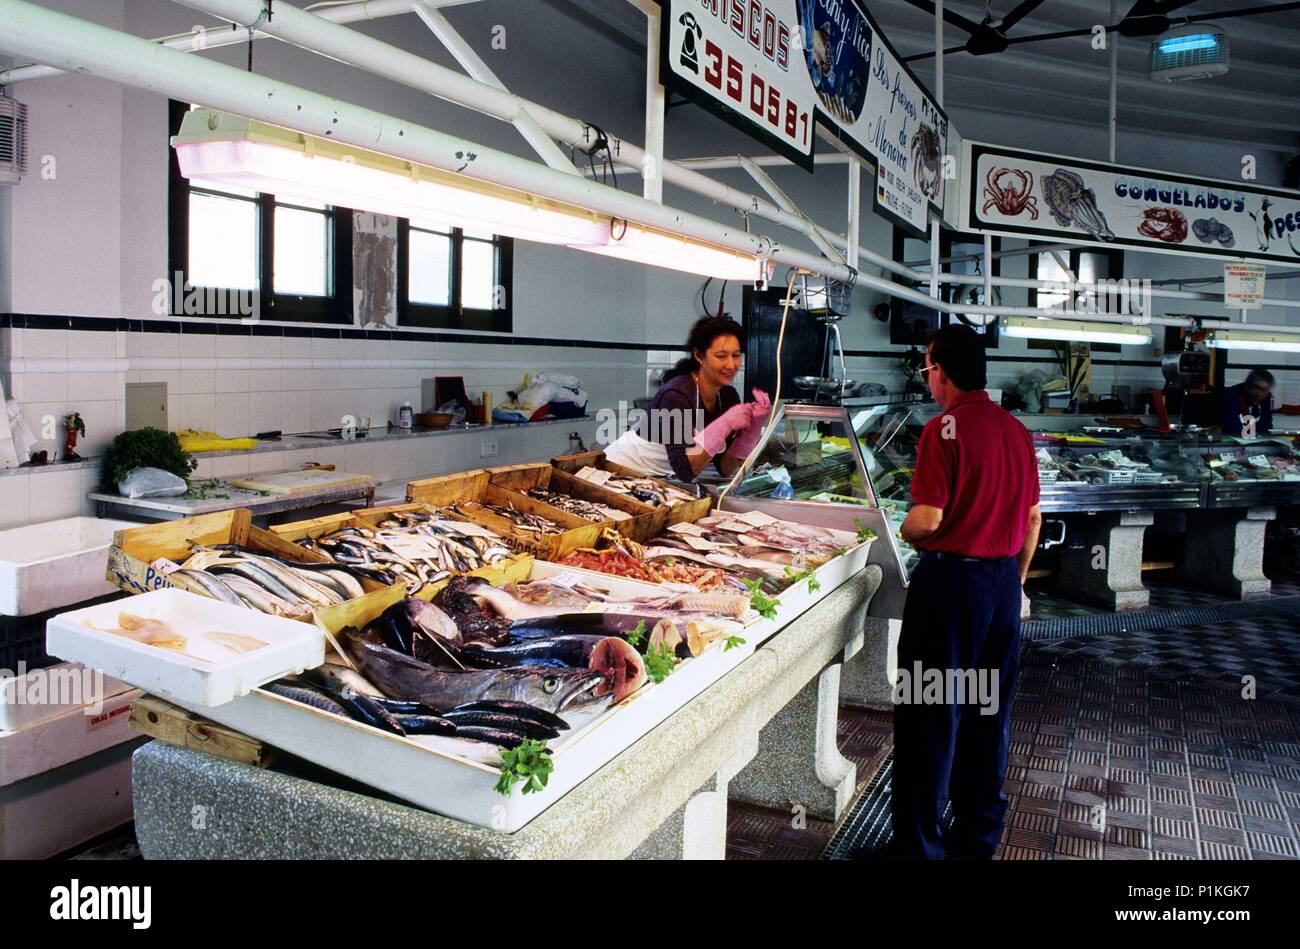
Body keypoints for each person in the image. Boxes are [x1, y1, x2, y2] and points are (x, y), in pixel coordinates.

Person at [889, 325, 1042, 861]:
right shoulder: (1016, 430)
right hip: (999, 587)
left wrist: (900, 528)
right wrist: (1014, 581)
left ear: (940, 369)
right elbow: (1032, 519)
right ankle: (976, 840)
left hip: (951, 588)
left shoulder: (943, 430)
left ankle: (918, 849)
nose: (928, 378)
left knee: (930, 715)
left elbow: (926, 521)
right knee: (987, 714)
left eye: (928, 367)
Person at [605, 316, 771, 482]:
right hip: (620, 470)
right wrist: (725, 423)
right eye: (721, 356)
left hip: (660, 476)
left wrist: (752, 430)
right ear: (699, 355)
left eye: (735, 355)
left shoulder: (727, 396)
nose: (731, 364)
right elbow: (685, 470)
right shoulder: (676, 396)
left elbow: (724, 468)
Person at [1220, 369, 1274, 437]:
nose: (1260, 394)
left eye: (1264, 390)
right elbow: (1231, 430)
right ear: (1247, 386)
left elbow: (1266, 429)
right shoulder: (1229, 397)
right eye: (1257, 388)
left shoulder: (1266, 399)